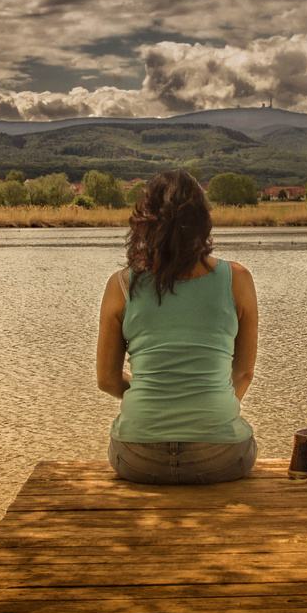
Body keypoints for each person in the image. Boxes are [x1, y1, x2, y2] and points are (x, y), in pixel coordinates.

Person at [96, 170, 259, 484]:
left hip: (137, 458)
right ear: (203, 222)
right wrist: (205, 405)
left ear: (144, 222)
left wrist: (159, 392)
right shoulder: (238, 280)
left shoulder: (121, 285)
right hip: (220, 457)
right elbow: (244, 374)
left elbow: (106, 380)